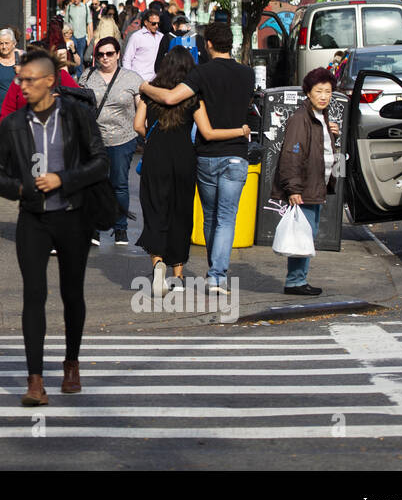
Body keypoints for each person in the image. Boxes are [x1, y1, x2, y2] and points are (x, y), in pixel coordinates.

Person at [0, 50, 110, 406]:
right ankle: (35, 380)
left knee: (72, 293)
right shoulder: (13, 125)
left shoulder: (78, 116)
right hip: (33, 219)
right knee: (33, 295)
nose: (21, 86)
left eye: (28, 80)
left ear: (49, 82)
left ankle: (71, 362)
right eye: (19, 79)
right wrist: (23, 189)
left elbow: (100, 162)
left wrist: (64, 179)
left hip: (74, 215)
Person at [139, 21, 254, 296]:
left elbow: (169, 99)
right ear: (232, 44)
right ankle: (216, 276)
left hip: (207, 155)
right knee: (226, 218)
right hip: (236, 154)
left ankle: (168, 265)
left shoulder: (201, 74)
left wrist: (145, 86)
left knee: (210, 216)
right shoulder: (248, 74)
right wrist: (241, 130)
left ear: (209, 45)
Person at [270, 67, 341, 297]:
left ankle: (298, 279)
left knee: (306, 233)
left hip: (316, 185)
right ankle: (295, 281)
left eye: (328, 92)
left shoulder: (322, 118)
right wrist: (293, 187)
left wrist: (333, 136)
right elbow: (292, 154)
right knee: (302, 234)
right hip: (305, 187)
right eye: (318, 91)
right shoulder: (301, 119)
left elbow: (322, 149)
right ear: (308, 93)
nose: (323, 96)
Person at [80, 35, 143, 245]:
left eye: (109, 54)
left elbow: (141, 106)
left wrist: (142, 130)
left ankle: (120, 228)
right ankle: (95, 229)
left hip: (123, 139)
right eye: (100, 54)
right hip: (94, 140)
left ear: (118, 55)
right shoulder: (87, 77)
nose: (104, 58)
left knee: (119, 184)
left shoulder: (132, 78)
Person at [0, 44, 80, 120]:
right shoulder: (20, 79)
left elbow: (79, 98)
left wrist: (62, 99)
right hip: (25, 130)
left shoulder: (61, 76)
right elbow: (7, 111)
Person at [0, 28, 22, 121]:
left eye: (7, 43)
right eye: (1, 43)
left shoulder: (23, 59)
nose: (4, 47)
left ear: (14, 43)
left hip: (19, 111)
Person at [122, 8, 163, 82]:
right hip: (139, 79)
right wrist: (129, 79)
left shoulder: (161, 37)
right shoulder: (137, 36)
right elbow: (127, 59)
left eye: (158, 23)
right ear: (146, 22)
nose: (156, 26)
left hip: (156, 80)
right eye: (153, 23)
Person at [65, 0, 92, 65]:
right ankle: (73, 73)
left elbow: (89, 23)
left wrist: (90, 37)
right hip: (72, 36)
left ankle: (79, 75)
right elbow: (66, 22)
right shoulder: (69, 7)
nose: (75, 0)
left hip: (82, 36)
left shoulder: (85, 8)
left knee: (80, 55)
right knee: (72, 54)